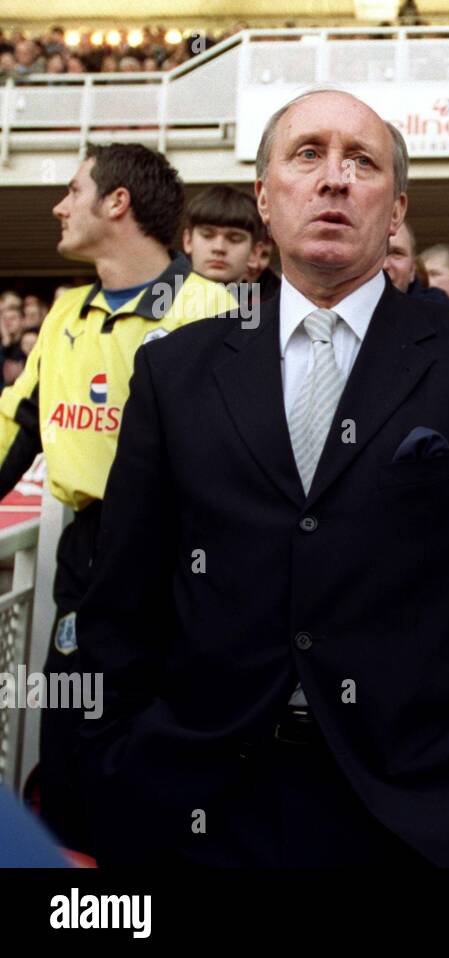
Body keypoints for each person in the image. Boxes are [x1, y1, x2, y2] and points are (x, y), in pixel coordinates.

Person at [74, 89, 449, 867]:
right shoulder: (175, 372)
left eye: (363, 162)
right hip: (200, 804)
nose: (335, 178)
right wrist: (120, 766)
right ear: (265, 199)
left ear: (395, 206)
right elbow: (123, 602)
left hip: (419, 810)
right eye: (307, 154)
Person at [0, 144, 236, 853]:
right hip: (90, 555)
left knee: (166, 758)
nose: (59, 206)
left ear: (118, 202)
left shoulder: (212, 309)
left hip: (185, 560)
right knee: (71, 736)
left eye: (73, 190)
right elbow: (16, 429)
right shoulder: (67, 314)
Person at [181, 184, 260, 284]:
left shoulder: (281, 298)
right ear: (188, 241)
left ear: (254, 252)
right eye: (207, 235)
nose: (219, 248)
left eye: (234, 239)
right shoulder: (163, 297)